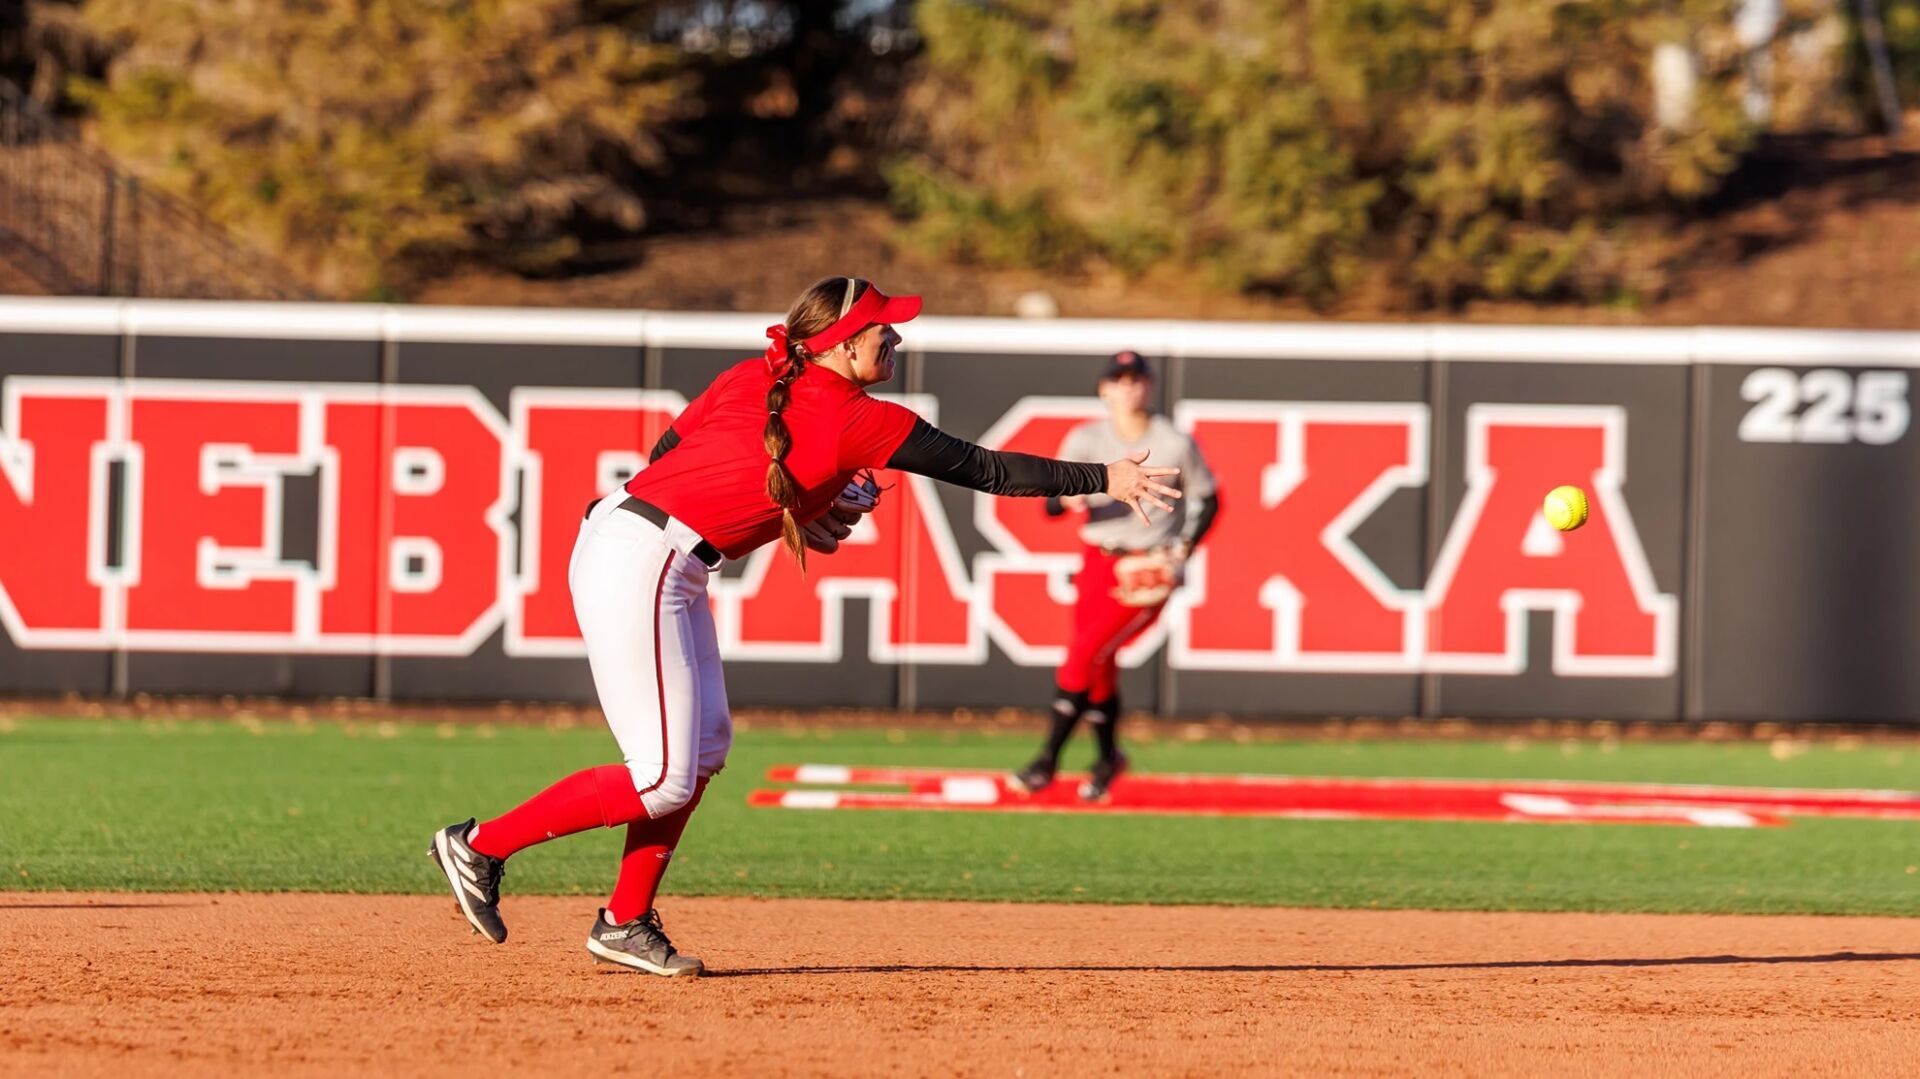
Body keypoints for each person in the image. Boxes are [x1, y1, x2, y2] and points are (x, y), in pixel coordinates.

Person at [428, 277, 1182, 977]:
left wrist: (794, 503)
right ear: (845, 345)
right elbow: (985, 469)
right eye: (883, 330)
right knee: (660, 777)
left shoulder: (755, 377)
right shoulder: (860, 415)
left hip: (651, 546)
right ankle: (480, 845)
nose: (896, 338)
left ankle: (625, 920)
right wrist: (1105, 477)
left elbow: (670, 454)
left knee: (705, 748)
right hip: (644, 557)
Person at [1009, 350, 1218, 802]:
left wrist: (1182, 550)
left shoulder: (1173, 442)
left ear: (1150, 384)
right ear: (1104, 389)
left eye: (1136, 379)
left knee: (1082, 656)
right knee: (1099, 663)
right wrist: (1068, 498)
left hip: (1146, 564)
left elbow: (1209, 498)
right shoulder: (1087, 439)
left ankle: (1047, 759)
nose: (1128, 388)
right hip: (1097, 560)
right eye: (1119, 380)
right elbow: (1050, 504)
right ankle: (1108, 759)